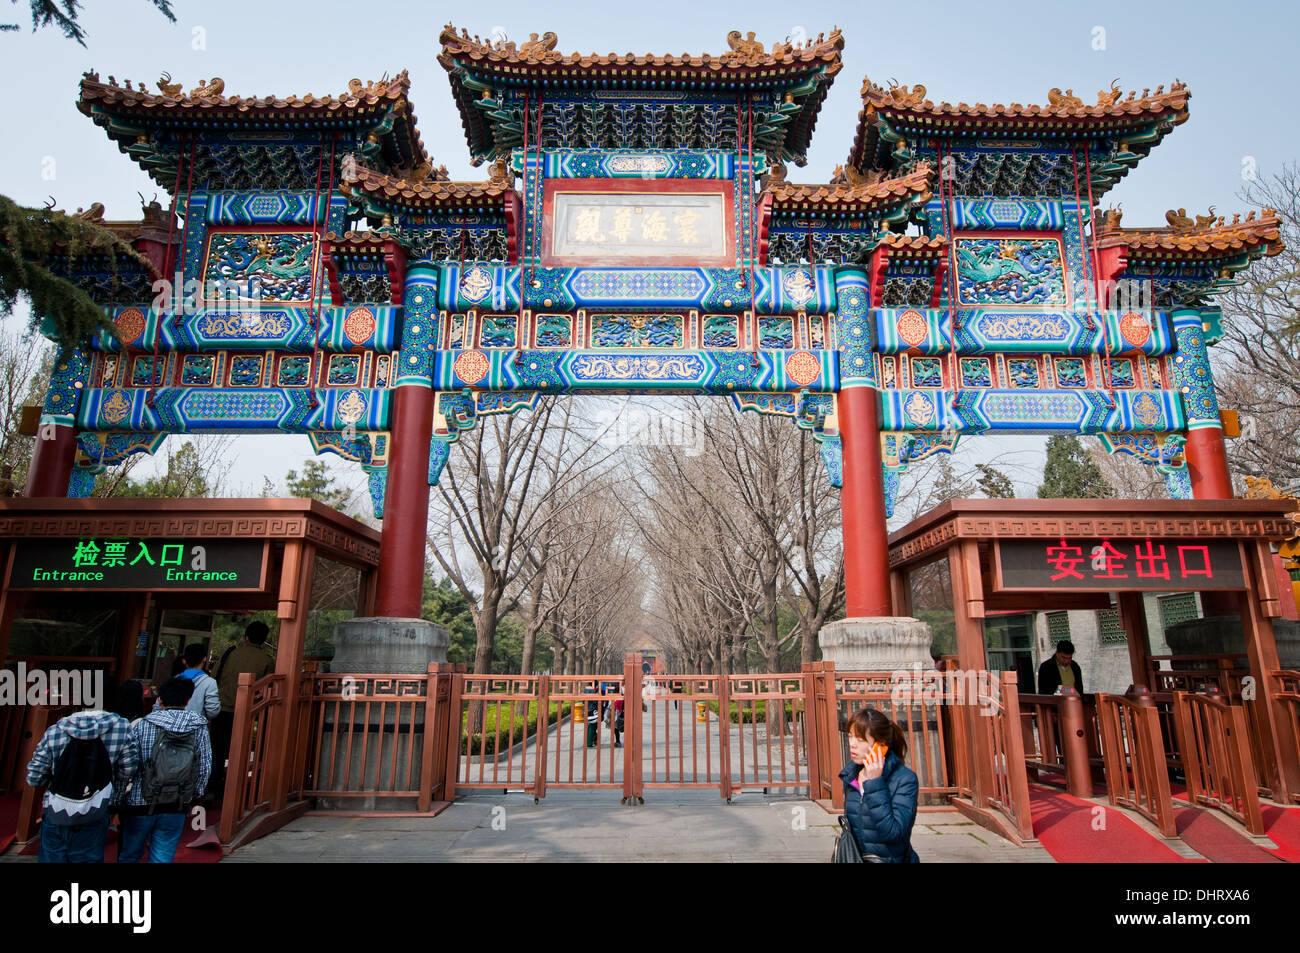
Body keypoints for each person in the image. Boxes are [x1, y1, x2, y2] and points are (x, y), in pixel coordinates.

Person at [26, 700, 139, 862]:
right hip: (97, 809)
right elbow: (128, 770)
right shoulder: (122, 728)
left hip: (57, 809)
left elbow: (34, 777)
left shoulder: (56, 729)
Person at [117, 676, 212, 864]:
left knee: (130, 855)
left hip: (140, 799)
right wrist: (195, 794)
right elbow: (204, 765)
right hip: (177, 801)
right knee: (162, 856)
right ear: (187, 700)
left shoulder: (143, 725)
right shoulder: (199, 727)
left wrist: (120, 795)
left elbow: (129, 765)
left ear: (159, 700)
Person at [838, 707, 919, 863]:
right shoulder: (851, 776)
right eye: (850, 736)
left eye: (860, 739)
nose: (852, 744)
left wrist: (875, 783)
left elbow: (894, 833)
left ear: (880, 745)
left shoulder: (905, 780)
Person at [210, 621, 274, 798]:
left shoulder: (230, 654)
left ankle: (212, 788)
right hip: (249, 711)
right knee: (242, 751)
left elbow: (214, 676)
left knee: (217, 750)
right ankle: (237, 789)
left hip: (223, 708)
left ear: (246, 636)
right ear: (263, 640)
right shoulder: (266, 660)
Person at [176, 642, 220, 721]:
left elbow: (159, 706)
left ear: (184, 661)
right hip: (196, 729)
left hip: (171, 729)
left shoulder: (173, 681)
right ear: (204, 659)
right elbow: (213, 712)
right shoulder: (210, 683)